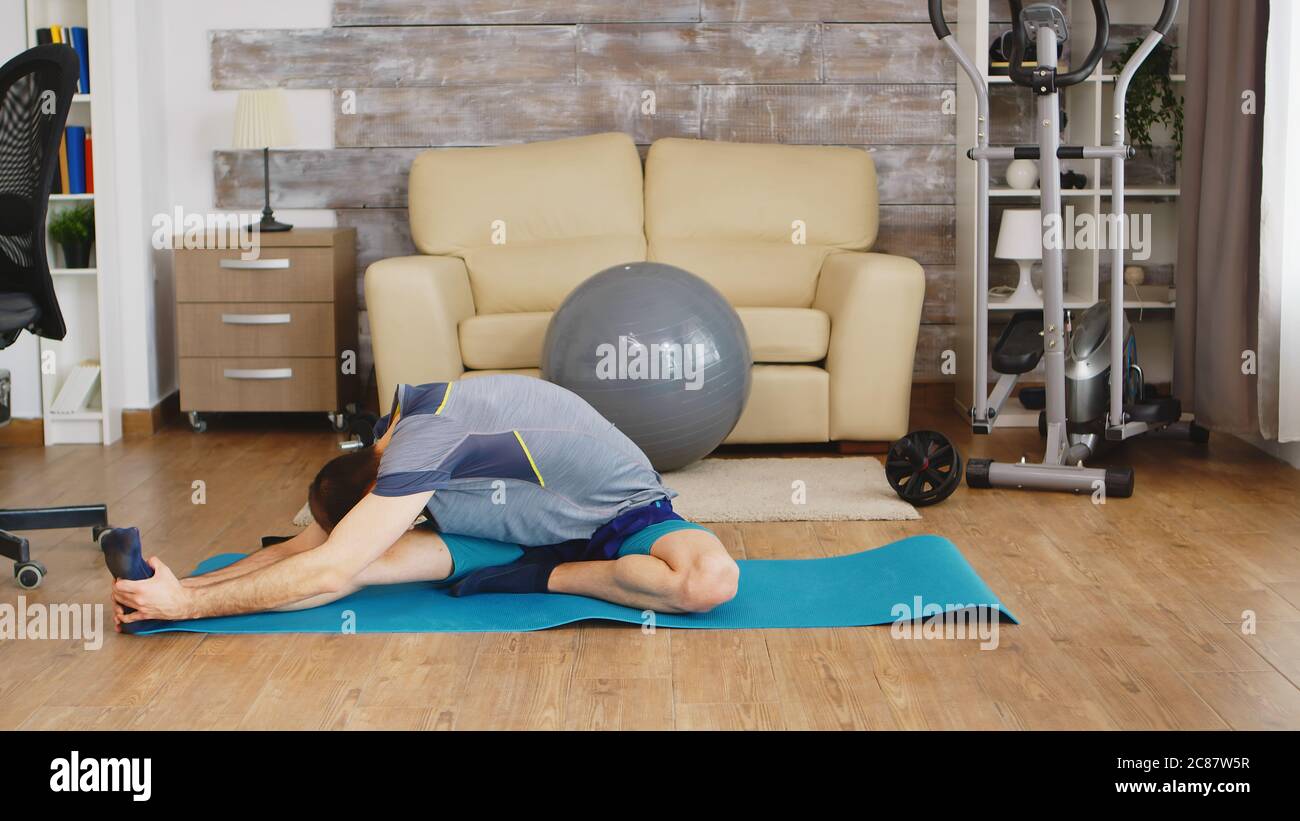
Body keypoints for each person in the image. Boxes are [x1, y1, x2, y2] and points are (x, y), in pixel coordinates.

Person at [106, 375, 740, 631]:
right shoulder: (398, 431)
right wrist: (175, 590)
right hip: (504, 531)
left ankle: (541, 576)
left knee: (709, 582)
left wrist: (187, 603)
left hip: (621, 512)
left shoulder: (420, 446)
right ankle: (525, 564)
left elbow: (328, 563)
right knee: (356, 563)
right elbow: (319, 548)